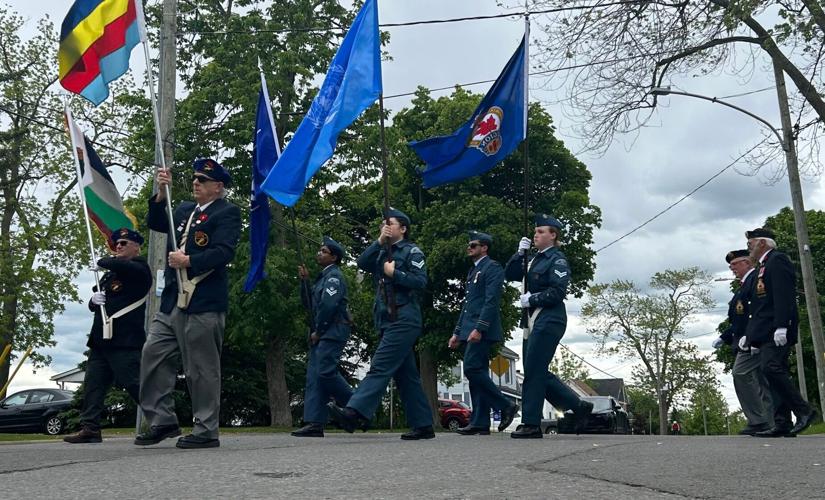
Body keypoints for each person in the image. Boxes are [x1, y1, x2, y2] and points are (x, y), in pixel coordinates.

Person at [136, 158, 240, 449]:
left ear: (218, 187)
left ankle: (206, 429)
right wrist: (160, 192)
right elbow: (156, 221)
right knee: (152, 354)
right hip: (171, 300)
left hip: (203, 300)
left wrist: (189, 260)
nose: (196, 182)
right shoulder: (183, 210)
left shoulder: (227, 213)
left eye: (203, 180)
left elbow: (223, 252)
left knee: (202, 368)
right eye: (195, 178)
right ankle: (162, 420)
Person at [328, 208, 434, 440]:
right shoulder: (383, 251)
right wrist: (378, 241)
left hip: (404, 319)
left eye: (390, 223)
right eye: (382, 224)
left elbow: (420, 281)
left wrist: (395, 274)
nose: (384, 227)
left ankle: (354, 412)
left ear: (403, 229)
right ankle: (423, 424)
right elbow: (363, 262)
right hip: (387, 320)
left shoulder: (411, 251)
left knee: (380, 366)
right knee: (406, 377)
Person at [504, 214, 593, 439]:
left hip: (550, 317)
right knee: (536, 369)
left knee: (533, 369)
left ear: (553, 235)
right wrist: (519, 254)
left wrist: (531, 299)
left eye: (541, 231)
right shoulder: (533, 259)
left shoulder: (557, 260)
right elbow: (511, 274)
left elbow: (558, 291)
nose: (536, 235)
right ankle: (578, 406)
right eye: (535, 232)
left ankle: (531, 424)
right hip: (531, 321)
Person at [64, 229, 152, 444]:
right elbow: (98, 304)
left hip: (124, 339)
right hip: (101, 338)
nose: (119, 246)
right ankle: (90, 427)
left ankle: (162, 421)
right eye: (117, 244)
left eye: (123, 243)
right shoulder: (111, 274)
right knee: (94, 384)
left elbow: (121, 265)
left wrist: (105, 260)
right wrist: (94, 301)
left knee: (135, 383)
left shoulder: (140, 268)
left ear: (135, 246)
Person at [743, 228, 817, 437]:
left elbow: (784, 295)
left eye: (752, 242)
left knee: (771, 368)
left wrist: (782, 325)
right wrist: (752, 336)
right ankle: (782, 421)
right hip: (765, 330)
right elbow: (760, 304)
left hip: (776, 328)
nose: (749, 246)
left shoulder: (778, 260)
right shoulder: (764, 265)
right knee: (772, 372)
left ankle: (804, 410)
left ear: (763, 244)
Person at [448, 231, 518, 435]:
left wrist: (480, 328)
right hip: (470, 329)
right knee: (476, 373)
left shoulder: (493, 268)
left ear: (484, 248)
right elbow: (468, 306)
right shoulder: (473, 272)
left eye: (474, 245)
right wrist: (457, 332)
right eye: (469, 245)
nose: (469, 248)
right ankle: (479, 421)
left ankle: (505, 405)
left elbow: (491, 300)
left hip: (483, 329)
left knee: (471, 368)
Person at [292, 237, 355, 438]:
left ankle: (360, 406)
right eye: (319, 250)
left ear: (334, 257)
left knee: (325, 372)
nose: (319, 253)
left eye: (324, 251)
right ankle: (314, 422)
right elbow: (309, 305)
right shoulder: (322, 278)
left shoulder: (334, 277)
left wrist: (319, 331)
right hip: (320, 333)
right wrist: (305, 281)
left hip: (332, 331)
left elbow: (329, 306)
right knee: (314, 377)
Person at [711, 249, 773, 435]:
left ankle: (759, 420)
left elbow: (757, 311)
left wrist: (752, 337)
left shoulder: (755, 280)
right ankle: (768, 422)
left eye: (735, 264)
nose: (732, 268)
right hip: (744, 340)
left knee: (741, 374)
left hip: (755, 339)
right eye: (731, 265)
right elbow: (739, 318)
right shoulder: (744, 285)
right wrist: (725, 337)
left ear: (747, 262)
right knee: (762, 383)